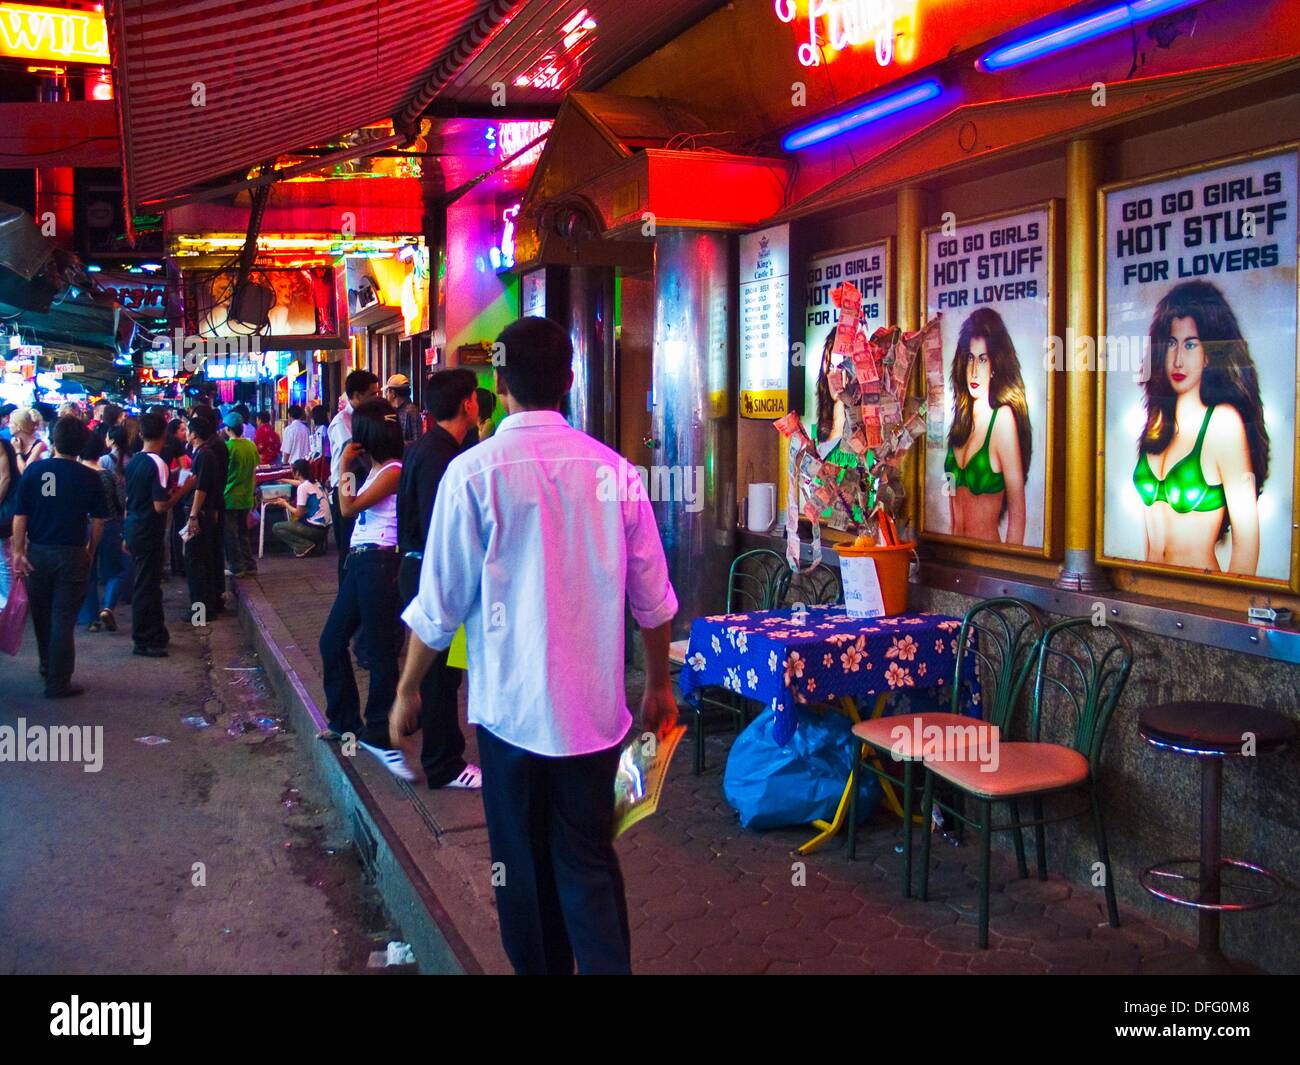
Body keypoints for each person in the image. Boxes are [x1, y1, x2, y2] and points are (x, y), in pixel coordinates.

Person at [392, 316, 678, 975]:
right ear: (570, 380)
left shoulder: (473, 473)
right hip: (595, 718)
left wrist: (408, 687)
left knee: (519, 869)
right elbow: (654, 598)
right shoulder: (615, 473)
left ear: (498, 383)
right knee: (589, 861)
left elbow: (436, 607)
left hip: (510, 720)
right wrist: (658, 683)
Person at [1134, 279, 1269, 575]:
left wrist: (1226, 609)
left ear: (1209, 353)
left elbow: (1247, 542)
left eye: (1190, 344)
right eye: (1171, 343)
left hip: (1200, 593)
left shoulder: (1223, 423)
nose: (1178, 359)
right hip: (1148, 589)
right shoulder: (1156, 422)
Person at [395, 369, 481, 791]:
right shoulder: (442, 456)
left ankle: (442, 753)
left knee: (444, 670)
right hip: (429, 570)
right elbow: (438, 528)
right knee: (441, 673)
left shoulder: (431, 447)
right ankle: (444, 764)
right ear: (468, 403)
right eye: (474, 396)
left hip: (418, 566)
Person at [318, 399, 406, 775]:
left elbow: (348, 507)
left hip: (380, 561)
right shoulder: (372, 470)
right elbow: (346, 503)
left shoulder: (394, 471)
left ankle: (376, 728)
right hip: (361, 561)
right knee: (331, 640)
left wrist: (341, 465)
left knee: (381, 650)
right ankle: (345, 720)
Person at [10, 416, 109, 698]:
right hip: (72, 554)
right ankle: (58, 681)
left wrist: (18, 551)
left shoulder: (34, 471)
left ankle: (47, 667)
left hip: (38, 553)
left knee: (42, 616)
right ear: (81, 445)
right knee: (63, 618)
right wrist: (90, 550)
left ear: (53, 440)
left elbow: (21, 515)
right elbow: (99, 521)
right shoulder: (90, 477)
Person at [944, 307, 1032, 545]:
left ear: (995, 365)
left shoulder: (1002, 420)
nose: (974, 370)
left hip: (988, 558)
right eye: (970, 358)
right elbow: (951, 497)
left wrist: (1008, 568)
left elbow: (1018, 513)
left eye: (982, 359)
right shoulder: (960, 423)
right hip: (954, 555)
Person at [125, 412, 183, 657]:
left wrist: (125, 534)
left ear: (141, 434)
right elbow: (161, 505)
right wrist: (185, 489)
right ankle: (143, 639)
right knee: (146, 586)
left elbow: (129, 500)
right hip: (149, 529)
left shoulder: (134, 462)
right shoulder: (158, 464)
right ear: (164, 436)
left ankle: (157, 633)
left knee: (148, 583)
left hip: (135, 527)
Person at [76, 433, 130, 634]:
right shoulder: (108, 475)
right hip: (109, 526)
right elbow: (122, 502)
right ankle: (107, 607)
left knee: (87, 572)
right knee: (115, 571)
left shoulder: (77, 475)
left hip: (83, 527)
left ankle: (90, 619)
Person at [328, 370, 379, 578]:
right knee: (347, 546)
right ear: (356, 395)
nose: (376, 398)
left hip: (361, 484)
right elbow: (357, 453)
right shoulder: (343, 422)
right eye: (372, 394)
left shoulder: (364, 417)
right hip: (346, 483)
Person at [179, 410, 225, 619]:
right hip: (203, 513)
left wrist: (194, 516)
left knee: (197, 563)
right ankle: (208, 608)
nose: (186, 433)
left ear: (194, 433)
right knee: (201, 561)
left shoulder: (205, 455)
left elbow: (202, 489)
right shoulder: (201, 454)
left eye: (187, 429)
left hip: (200, 514)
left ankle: (200, 614)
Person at [223, 412, 259, 578]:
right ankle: (250, 564)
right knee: (243, 533)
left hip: (229, 496)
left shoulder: (228, 447)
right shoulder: (250, 446)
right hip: (246, 496)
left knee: (231, 534)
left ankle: (237, 567)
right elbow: (253, 472)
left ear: (228, 429)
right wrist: (252, 493)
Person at [272, 459, 331, 557]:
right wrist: (283, 480)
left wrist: (285, 504)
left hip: (314, 530)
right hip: (324, 529)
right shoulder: (316, 483)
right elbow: (299, 483)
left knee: (277, 527)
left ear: (298, 472)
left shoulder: (303, 488)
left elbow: (298, 513)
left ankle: (304, 545)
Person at [385, 374, 422, 447]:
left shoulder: (411, 411)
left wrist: (396, 442)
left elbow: (417, 441)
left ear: (393, 393)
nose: (385, 394)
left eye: (387, 391)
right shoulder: (392, 409)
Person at [9, 408, 49, 474]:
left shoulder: (39, 445)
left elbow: (25, 472)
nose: (8, 425)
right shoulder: (13, 442)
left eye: (10, 423)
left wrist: (18, 452)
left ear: (19, 427)